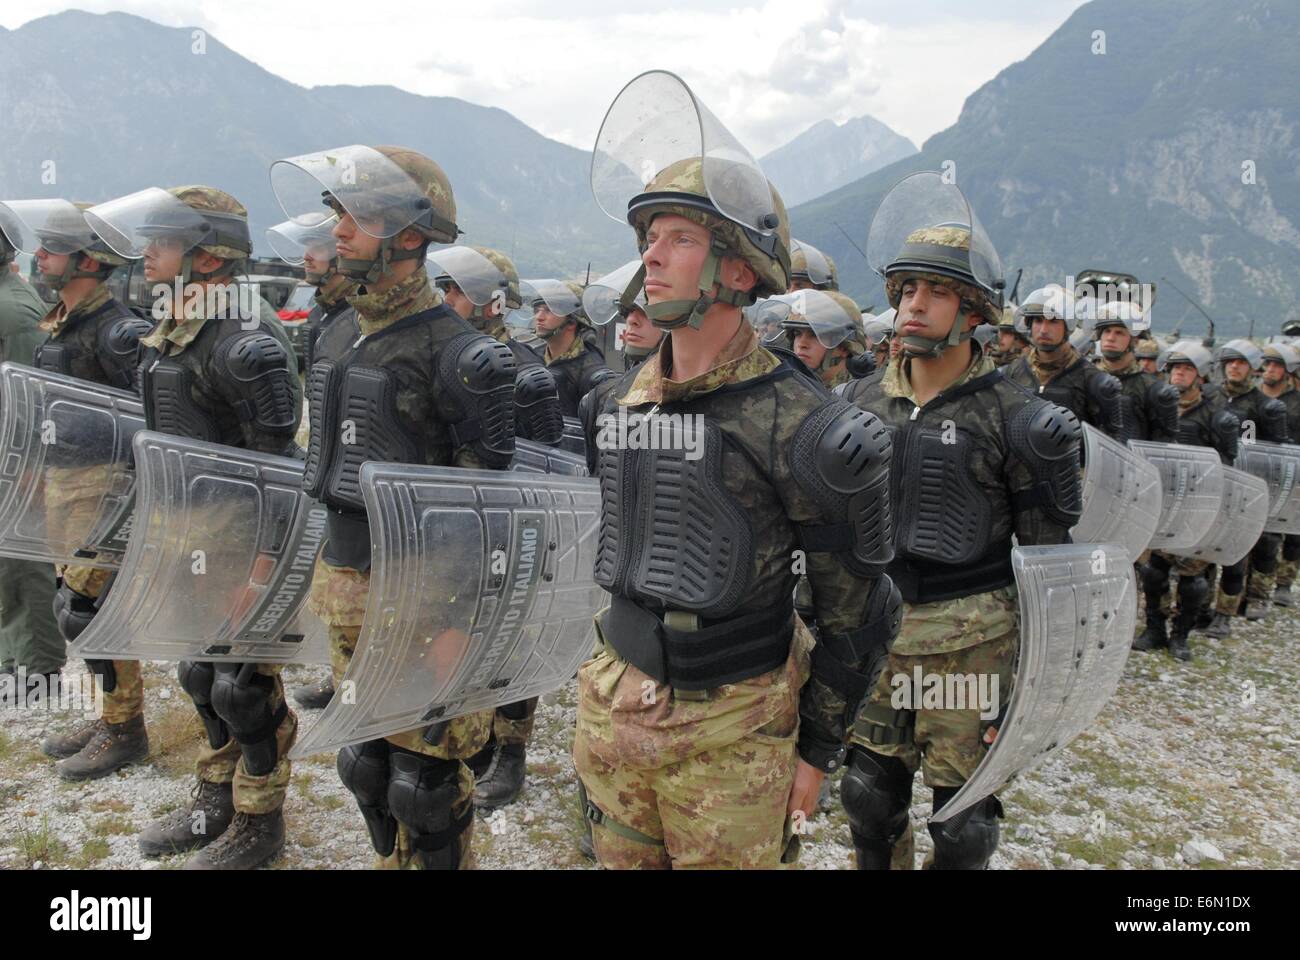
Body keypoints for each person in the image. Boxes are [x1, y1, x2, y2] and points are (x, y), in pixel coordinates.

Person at [574, 71, 898, 869]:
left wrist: (818, 750)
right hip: (614, 707)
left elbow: (859, 610)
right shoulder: (618, 404)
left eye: (679, 237)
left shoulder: (806, 424)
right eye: (648, 236)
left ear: (740, 270)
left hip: (735, 732)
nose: (651, 254)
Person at [272, 144, 518, 868]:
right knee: (366, 764)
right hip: (344, 580)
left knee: (426, 784)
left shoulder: (461, 355)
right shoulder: (337, 331)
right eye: (338, 213)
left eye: (360, 216)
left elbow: (487, 513)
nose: (339, 231)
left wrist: (455, 627)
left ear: (411, 236)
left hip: (424, 598)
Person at [840, 172, 1083, 870]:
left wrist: (1039, 679)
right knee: (867, 794)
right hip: (879, 633)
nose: (914, 305)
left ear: (974, 311)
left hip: (972, 645)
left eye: (936, 292)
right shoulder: (858, 400)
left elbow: (1048, 562)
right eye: (906, 290)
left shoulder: (1018, 417)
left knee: (964, 824)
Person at [86, 184, 304, 868]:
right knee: (199, 676)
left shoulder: (246, 340)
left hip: (244, 543)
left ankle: (260, 820)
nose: (148, 252)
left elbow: (280, 470)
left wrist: (265, 572)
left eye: (165, 241)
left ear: (208, 257)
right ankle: (217, 793)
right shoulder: (179, 322)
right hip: (191, 536)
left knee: (245, 686)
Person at [0, 198, 152, 769]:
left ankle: (126, 729)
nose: (40, 256)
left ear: (89, 261)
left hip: (103, 490)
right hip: (64, 481)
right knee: (76, 603)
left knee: (94, 607)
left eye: (54, 249)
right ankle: (113, 717)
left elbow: (146, 423)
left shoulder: (117, 333)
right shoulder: (60, 323)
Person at [427, 243, 565, 809]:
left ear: (491, 303)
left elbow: (548, 464)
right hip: (452, 529)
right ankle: (469, 738)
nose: (447, 299)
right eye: (447, 288)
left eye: (458, 290)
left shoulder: (527, 373)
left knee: (512, 639)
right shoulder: (441, 356)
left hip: (512, 531)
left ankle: (511, 751)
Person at [1133, 341, 1240, 661]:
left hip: (1196, 507)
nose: (1178, 372)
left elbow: (1227, 467)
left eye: (1187, 368)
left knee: (1193, 579)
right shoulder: (1156, 408)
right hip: (1160, 502)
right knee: (1153, 571)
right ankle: (1154, 628)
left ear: (1202, 376)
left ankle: (1180, 635)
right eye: (1175, 367)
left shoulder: (1216, 417)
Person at [0, 209, 62, 706]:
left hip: (13, 455)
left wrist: (29, 465)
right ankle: (11, 661)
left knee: (22, 565)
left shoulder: (14, 311)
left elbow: (32, 395)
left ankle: (38, 670)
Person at [1203, 340, 1289, 633]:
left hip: (1248, 487)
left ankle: (1227, 612)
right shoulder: (1209, 397)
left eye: (1241, 363)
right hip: (1214, 483)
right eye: (1230, 362)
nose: (1234, 367)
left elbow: (1277, 453)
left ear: (1253, 369)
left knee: (1240, 552)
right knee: (1203, 551)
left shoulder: (1264, 407)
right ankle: (1200, 607)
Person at [1003, 284, 1128, 440]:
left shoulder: (1094, 381)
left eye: (1053, 321)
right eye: (1038, 321)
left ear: (1068, 326)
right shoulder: (1013, 372)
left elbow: (1111, 442)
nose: (1043, 329)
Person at [1094, 301, 1179, 441]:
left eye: (1119, 333)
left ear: (1135, 340)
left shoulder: (1152, 388)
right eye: (1106, 331)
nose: (1110, 338)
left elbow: (1164, 444)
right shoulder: (1086, 377)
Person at [529, 278, 612, 417]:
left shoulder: (592, 373)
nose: (539, 317)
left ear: (572, 322)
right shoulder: (532, 358)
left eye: (549, 310)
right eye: (537, 310)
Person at [1258, 343, 1300, 606]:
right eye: (1268, 364)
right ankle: (1256, 590)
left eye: (1277, 366)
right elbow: (1247, 434)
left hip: (1294, 474)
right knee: (1263, 537)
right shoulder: (1255, 399)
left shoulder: (1296, 402)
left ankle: (1284, 582)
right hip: (1261, 472)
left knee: (1294, 535)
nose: (1271, 370)